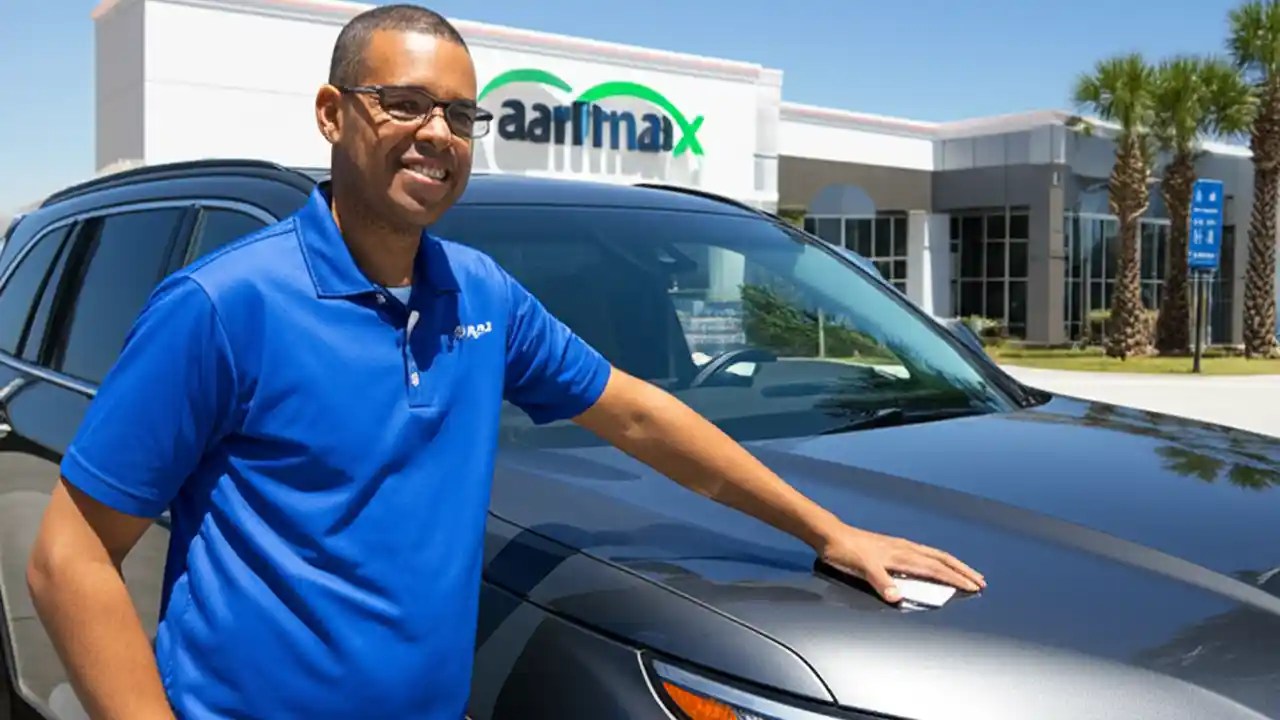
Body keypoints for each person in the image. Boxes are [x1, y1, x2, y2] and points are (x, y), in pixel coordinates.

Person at [25, 5, 985, 720]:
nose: (438, 133)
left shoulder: (477, 293)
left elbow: (639, 414)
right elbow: (70, 556)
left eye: (459, 113)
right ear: (331, 113)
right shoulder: (224, 305)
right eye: (404, 103)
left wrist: (829, 531)